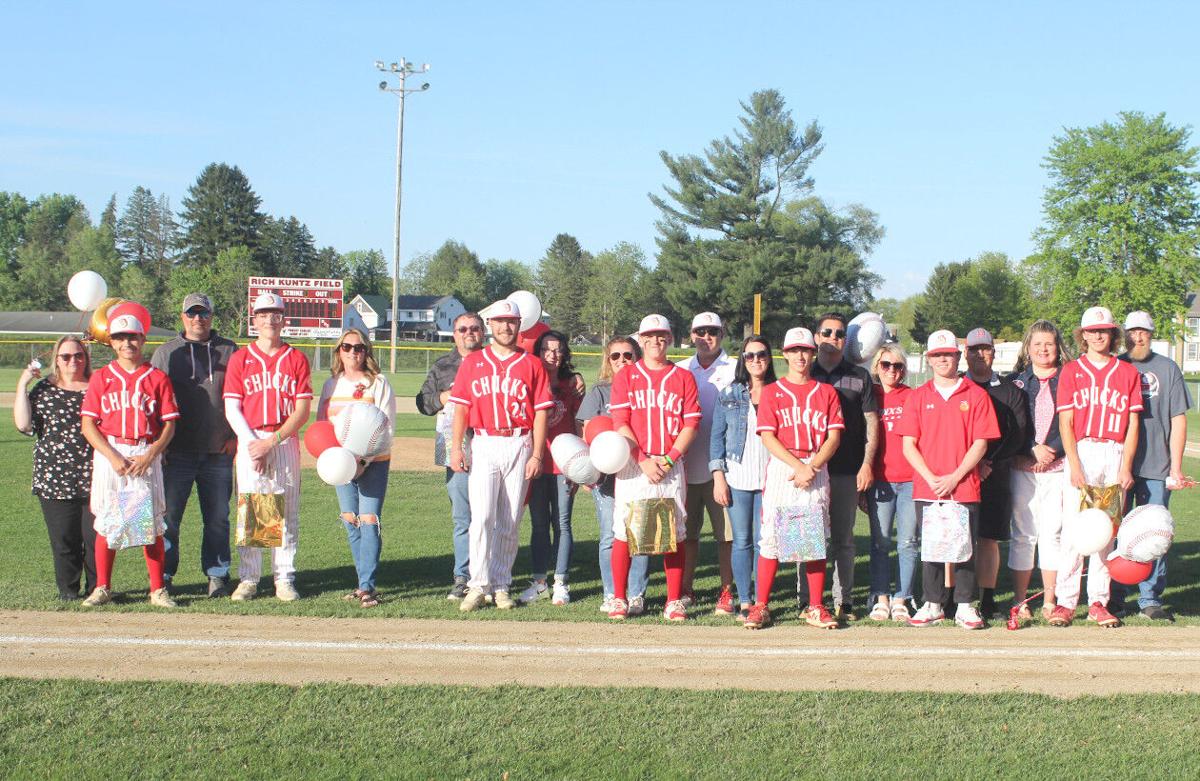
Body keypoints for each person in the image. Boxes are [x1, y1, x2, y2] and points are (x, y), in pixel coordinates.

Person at [449, 299, 552, 612]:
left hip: (519, 442)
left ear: (519, 326)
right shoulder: (473, 362)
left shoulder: (532, 364)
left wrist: (536, 453)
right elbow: (461, 409)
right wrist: (456, 447)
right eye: (500, 321)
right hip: (484, 442)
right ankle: (478, 585)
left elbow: (540, 413)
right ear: (489, 326)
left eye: (511, 321)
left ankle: (501, 584)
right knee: (481, 518)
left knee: (509, 520)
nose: (506, 326)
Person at [1048, 306, 1142, 628]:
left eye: (1104, 330)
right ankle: (1065, 602)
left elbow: (1132, 424)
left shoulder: (1128, 373)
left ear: (1112, 335)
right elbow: (1066, 423)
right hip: (1083, 450)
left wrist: (1126, 466)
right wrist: (1074, 465)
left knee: (1107, 532)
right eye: (1092, 330)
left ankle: (1099, 601)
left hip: (1114, 451)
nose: (1098, 335)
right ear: (1083, 335)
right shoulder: (1072, 371)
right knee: (1075, 530)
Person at [899, 329, 999, 629]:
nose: (943, 360)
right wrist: (931, 477)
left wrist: (955, 477)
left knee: (964, 546)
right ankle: (933, 602)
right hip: (927, 486)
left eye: (948, 354)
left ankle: (966, 604)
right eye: (937, 355)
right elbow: (908, 444)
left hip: (964, 484)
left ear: (958, 357)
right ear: (930, 360)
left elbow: (981, 443)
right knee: (931, 545)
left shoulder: (976, 395)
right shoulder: (918, 397)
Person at [79, 313, 180, 608]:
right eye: (121, 338)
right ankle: (102, 587)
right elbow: (88, 425)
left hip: (146, 452)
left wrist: (151, 454)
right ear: (111, 342)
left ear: (142, 340)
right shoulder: (101, 377)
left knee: (150, 524)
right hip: (111, 452)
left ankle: (157, 589)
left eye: (132, 337)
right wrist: (112, 457)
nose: (127, 343)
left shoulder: (158, 378)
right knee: (107, 523)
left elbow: (170, 424)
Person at [745, 327, 843, 630]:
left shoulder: (826, 392)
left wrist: (811, 466)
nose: (801, 355)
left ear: (813, 354)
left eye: (806, 350)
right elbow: (768, 437)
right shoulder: (773, 391)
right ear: (785, 354)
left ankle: (815, 606)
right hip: (783, 468)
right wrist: (797, 467)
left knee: (813, 539)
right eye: (795, 350)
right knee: (771, 538)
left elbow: (834, 436)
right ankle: (761, 605)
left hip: (815, 464)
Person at [607, 314, 700, 621]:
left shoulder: (683, 376)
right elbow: (620, 422)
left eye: (662, 336)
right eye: (650, 336)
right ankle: (619, 598)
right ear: (641, 339)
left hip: (671, 462)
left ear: (669, 339)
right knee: (624, 531)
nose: (656, 341)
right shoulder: (626, 376)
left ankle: (673, 600)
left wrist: (670, 458)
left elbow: (691, 423)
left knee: (673, 532)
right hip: (635, 463)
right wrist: (643, 460)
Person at [222, 292, 313, 602]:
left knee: (284, 511)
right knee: (254, 509)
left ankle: (284, 578)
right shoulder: (241, 359)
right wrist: (253, 445)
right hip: (250, 439)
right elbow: (232, 408)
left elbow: (301, 411)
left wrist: (270, 443)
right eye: (263, 314)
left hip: (283, 439)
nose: (270, 319)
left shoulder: (296, 358)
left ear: (282, 319)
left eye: (275, 314)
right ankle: (249, 578)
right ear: (255, 320)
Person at [151, 293, 238, 598]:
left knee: (217, 518)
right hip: (177, 453)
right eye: (192, 313)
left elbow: (243, 398)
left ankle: (217, 575)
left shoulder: (229, 350)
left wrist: (235, 437)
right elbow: (154, 403)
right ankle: (164, 574)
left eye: (203, 313)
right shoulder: (166, 353)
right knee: (169, 518)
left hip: (219, 450)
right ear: (182, 316)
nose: (198, 319)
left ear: (212, 316)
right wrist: (159, 447)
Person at [804, 313, 879, 620]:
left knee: (843, 540)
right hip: (809, 469)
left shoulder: (859, 376)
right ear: (816, 336)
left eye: (839, 334)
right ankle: (806, 600)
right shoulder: (805, 372)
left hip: (846, 468)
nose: (832, 338)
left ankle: (843, 600)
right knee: (807, 537)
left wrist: (867, 464)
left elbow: (871, 423)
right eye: (827, 332)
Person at [1113, 311, 1188, 621]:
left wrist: (1177, 467)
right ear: (1125, 335)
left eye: (1143, 332)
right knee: (1115, 532)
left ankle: (1150, 600)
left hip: (1157, 464)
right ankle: (1113, 597)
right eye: (1132, 332)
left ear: (1151, 334)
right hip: (1117, 465)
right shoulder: (1116, 366)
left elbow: (1178, 418)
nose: (1138, 337)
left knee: (1155, 536)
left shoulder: (1167, 368)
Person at [316, 328, 395, 608]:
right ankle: (362, 582)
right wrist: (336, 460)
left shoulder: (378, 383)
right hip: (341, 465)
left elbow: (388, 428)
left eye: (359, 348)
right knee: (350, 520)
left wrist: (363, 462)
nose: (353, 352)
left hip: (373, 463)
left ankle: (367, 587)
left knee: (369, 521)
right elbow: (321, 427)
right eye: (347, 347)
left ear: (367, 351)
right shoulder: (331, 385)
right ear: (339, 351)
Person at [14, 336, 96, 600]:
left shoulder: (98, 387)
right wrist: (23, 384)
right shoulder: (43, 389)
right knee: (65, 541)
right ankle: (68, 592)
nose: (74, 361)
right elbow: (24, 425)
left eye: (79, 355)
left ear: (86, 358)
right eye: (66, 356)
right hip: (55, 477)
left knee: (95, 541)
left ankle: (97, 590)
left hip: (95, 476)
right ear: (57, 360)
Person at [577, 336, 651, 616]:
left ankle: (635, 594)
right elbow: (588, 433)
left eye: (628, 355)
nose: (622, 360)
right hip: (607, 477)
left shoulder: (646, 387)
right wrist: (588, 472)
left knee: (639, 535)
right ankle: (612, 593)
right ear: (607, 361)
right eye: (615, 356)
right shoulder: (599, 391)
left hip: (638, 472)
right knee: (610, 535)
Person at [962, 328, 1029, 619]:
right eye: (974, 349)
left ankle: (987, 599)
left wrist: (987, 461)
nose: (980, 354)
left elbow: (1017, 433)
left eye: (985, 349)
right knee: (958, 537)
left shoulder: (1009, 390)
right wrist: (970, 464)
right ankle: (957, 598)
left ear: (993, 352)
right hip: (960, 475)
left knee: (988, 538)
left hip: (996, 475)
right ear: (966, 353)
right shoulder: (954, 388)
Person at [416, 311, 484, 600]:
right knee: (462, 516)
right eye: (462, 329)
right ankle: (462, 576)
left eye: (474, 328)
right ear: (454, 334)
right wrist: (443, 397)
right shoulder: (443, 365)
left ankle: (488, 575)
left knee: (490, 515)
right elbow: (423, 402)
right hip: (452, 442)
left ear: (483, 332)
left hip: (488, 441)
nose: (469, 333)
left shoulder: (493, 362)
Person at [1008, 320, 1072, 620]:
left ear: (1057, 347)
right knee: (1023, 534)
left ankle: (1049, 600)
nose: (1043, 349)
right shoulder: (1017, 382)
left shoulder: (1070, 379)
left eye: (1049, 343)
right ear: (1028, 348)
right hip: (1024, 468)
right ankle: (1021, 600)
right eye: (1037, 344)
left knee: (1052, 534)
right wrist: (1031, 448)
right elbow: (1013, 425)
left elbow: (1073, 422)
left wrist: (1053, 450)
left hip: (1058, 469)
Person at [710, 335, 776, 620]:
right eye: (749, 356)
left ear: (769, 358)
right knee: (741, 541)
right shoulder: (730, 393)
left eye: (761, 354)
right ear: (743, 360)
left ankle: (762, 600)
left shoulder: (779, 391)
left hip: (771, 478)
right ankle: (745, 599)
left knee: (766, 541)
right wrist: (718, 477)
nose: (756, 360)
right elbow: (717, 439)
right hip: (737, 477)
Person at [677, 312, 736, 612]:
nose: (706, 336)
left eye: (712, 331)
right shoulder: (679, 368)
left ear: (722, 334)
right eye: (700, 331)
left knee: (726, 536)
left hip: (723, 469)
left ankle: (727, 591)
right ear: (691, 334)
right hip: (683, 466)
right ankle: (685, 589)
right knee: (687, 534)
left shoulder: (736, 368)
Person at [519, 329, 584, 606]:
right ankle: (539, 581)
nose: (552, 355)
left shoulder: (573, 384)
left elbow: (581, 424)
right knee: (538, 525)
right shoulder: (531, 379)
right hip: (536, 461)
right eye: (546, 349)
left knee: (563, 523)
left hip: (564, 464)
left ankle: (560, 581)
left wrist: (582, 464)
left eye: (557, 349)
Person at [864, 343, 918, 622]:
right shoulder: (870, 395)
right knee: (880, 542)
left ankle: (902, 598)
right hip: (880, 480)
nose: (891, 371)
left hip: (909, 480)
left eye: (897, 366)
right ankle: (881, 596)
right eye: (885, 365)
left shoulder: (912, 396)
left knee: (908, 542)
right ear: (877, 367)